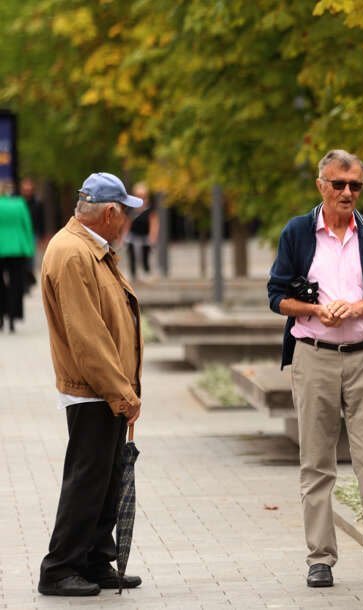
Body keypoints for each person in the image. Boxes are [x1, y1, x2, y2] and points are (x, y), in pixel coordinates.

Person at [267, 150, 363, 588]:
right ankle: (320, 559)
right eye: (338, 184)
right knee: (317, 464)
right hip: (314, 356)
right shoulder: (297, 232)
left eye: (355, 186)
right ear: (321, 185)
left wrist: (357, 307)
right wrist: (315, 309)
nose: (347, 193)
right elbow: (276, 296)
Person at [38, 172, 144, 596]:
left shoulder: (88, 248)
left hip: (105, 385)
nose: (126, 223)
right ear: (110, 212)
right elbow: (87, 335)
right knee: (87, 478)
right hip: (93, 387)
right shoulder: (72, 253)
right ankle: (60, 567)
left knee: (105, 477)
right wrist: (120, 391)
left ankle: (96, 559)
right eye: (125, 215)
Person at [0, 191, 34, 332]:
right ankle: (13, 317)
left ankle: (1, 315)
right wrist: (29, 249)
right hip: (17, 247)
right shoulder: (20, 203)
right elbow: (27, 225)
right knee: (16, 283)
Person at [123, 182, 157, 280]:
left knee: (145, 255)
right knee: (132, 254)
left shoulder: (150, 210)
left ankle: (146, 272)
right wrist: (122, 237)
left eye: (143, 197)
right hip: (133, 236)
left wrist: (153, 237)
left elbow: (154, 223)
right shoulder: (131, 209)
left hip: (145, 237)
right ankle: (133, 274)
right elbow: (127, 223)